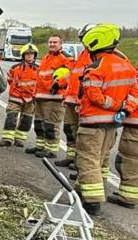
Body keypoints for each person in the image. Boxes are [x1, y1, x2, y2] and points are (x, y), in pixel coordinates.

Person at [75, 24, 136, 215]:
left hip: (92, 123)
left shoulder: (96, 67)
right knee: (100, 158)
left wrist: (115, 105)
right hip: (112, 123)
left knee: (88, 160)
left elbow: (93, 94)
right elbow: (134, 93)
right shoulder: (127, 65)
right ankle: (81, 189)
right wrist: (125, 109)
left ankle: (92, 202)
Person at [55, 24, 95, 169]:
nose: (84, 41)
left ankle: (79, 161)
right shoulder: (84, 54)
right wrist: (61, 83)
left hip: (82, 102)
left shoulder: (96, 56)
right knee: (70, 130)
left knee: (82, 134)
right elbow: (74, 75)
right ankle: (71, 157)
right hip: (71, 99)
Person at [26, 35, 73, 158]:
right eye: (50, 42)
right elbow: (40, 78)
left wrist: (59, 84)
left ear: (61, 44)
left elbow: (72, 74)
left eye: (55, 42)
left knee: (51, 125)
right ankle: (40, 146)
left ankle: (51, 150)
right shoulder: (46, 58)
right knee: (39, 124)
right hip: (41, 98)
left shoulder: (65, 58)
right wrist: (34, 94)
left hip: (54, 98)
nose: (52, 44)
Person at [108, 60, 138, 209]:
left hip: (136, 124)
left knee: (129, 160)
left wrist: (125, 109)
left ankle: (127, 197)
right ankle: (129, 193)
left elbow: (135, 94)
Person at [0, 44, 39, 147]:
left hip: (31, 99)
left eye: (31, 54)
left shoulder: (39, 69)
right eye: (27, 54)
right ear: (23, 55)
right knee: (11, 118)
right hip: (16, 97)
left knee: (26, 120)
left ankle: (19, 139)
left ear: (35, 55)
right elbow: (10, 80)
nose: (29, 56)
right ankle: (7, 139)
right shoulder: (15, 68)